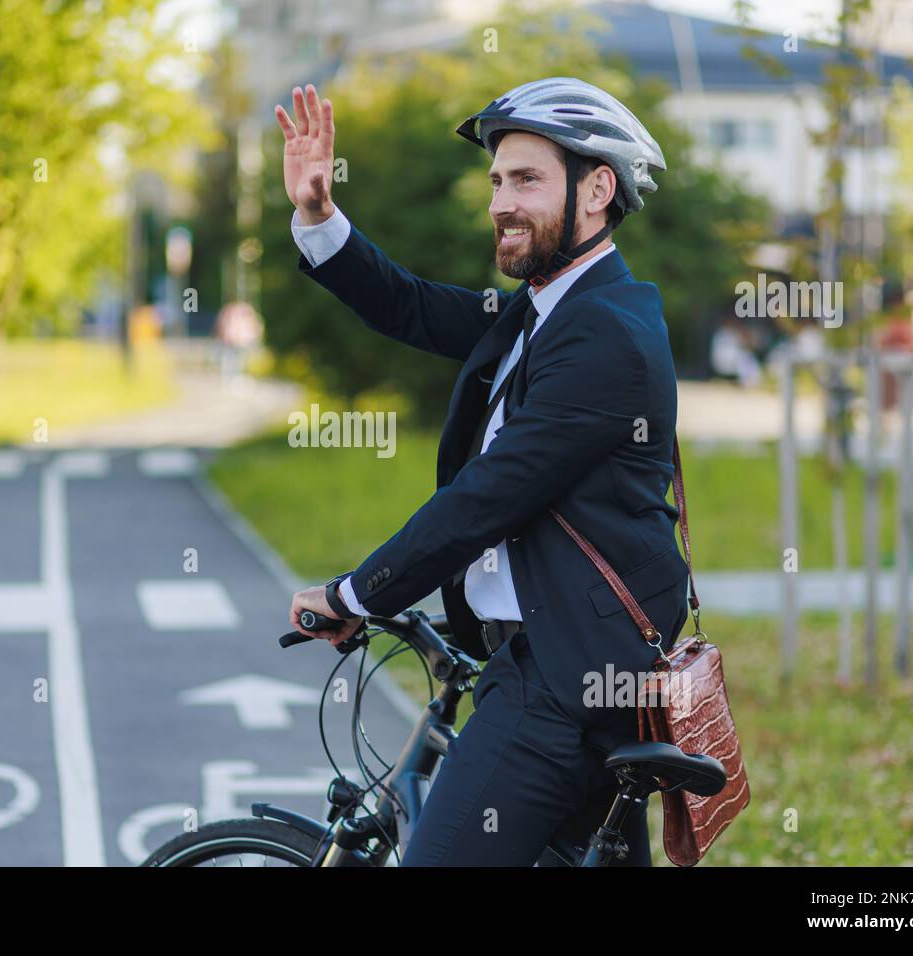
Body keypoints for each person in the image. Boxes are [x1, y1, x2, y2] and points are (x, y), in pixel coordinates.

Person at [276, 79, 690, 866]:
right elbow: (410, 306)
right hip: (564, 664)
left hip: (559, 687)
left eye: (527, 180)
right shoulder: (544, 311)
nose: (502, 200)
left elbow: (490, 495)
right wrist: (319, 216)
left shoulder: (605, 331)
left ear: (598, 189)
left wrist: (353, 594)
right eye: (497, 181)